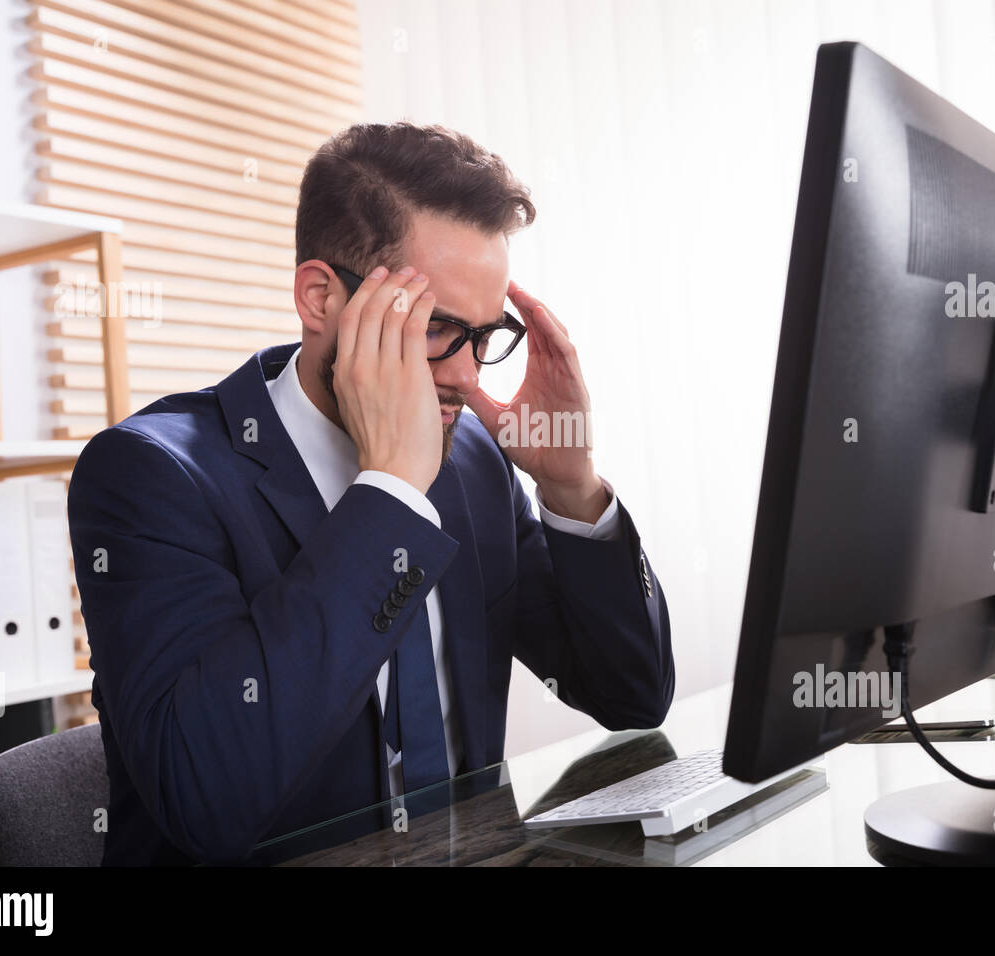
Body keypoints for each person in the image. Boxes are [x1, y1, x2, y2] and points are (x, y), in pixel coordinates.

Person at [68, 122, 674, 865]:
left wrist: (572, 487)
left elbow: (632, 699)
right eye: (438, 328)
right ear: (321, 297)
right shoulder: (153, 477)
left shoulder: (478, 461)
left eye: (486, 335)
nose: (468, 376)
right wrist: (388, 489)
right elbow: (206, 800)